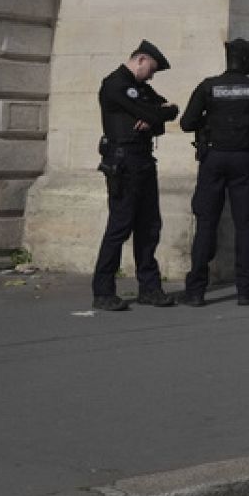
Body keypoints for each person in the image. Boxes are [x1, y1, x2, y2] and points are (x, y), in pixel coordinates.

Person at [177, 39, 249, 307]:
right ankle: (247, 290)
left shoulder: (208, 86)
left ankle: (196, 291)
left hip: (213, 159)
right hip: (244, 161)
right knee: (246, 225)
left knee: (206, 224)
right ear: (246, 61)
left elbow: (187, 123)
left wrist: (210, 123)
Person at [91, 41, 180, 312]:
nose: (151, 76)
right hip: (123, 161)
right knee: (120, 226)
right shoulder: (115, 84)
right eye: (151, 69)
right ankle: (103, 290)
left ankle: (149, 287)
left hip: (143, 160)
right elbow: (154, 112)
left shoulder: (141, 87)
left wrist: (155, 117)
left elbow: (171, 110)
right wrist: (154, 115)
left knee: (150, 225)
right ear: (140, 59)